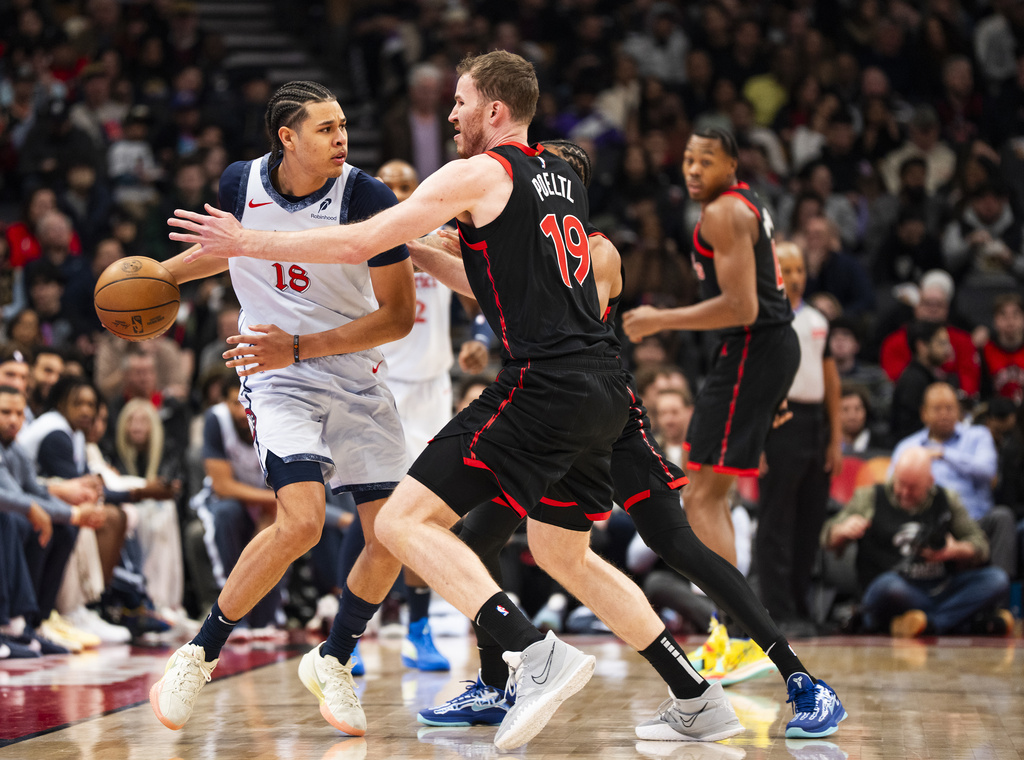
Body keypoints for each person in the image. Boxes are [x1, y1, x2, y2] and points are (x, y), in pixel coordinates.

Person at [170, 54, 746, 749]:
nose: (451, 114)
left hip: (539, 384)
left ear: (494, 111)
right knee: (564, 554)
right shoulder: (558, 176)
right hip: (605, 387)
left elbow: (363, 242)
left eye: (461, 101)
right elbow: (493, 281)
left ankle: (531, 654)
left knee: (404, 523)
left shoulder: (476, 172)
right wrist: (421, 249)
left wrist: (246, 240)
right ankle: (695, 695)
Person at [411, 139, 845, 740]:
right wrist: (437, 250)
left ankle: (802, 679)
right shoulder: (534, 248)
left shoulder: (598, 251)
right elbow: (499, 286)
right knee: (480, 536)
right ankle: (493, 681)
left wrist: (446, 253)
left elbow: (547, 311)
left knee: (677, 543)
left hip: (603, 411)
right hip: (550, 414)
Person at [147, 80, 415, 737]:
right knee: (301, 521)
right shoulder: (240, 183)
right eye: (326, 128)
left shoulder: (366, 197)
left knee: (391, 535)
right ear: (286, 138)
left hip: (351, 368)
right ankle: (199, 653)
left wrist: (299, 344)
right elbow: (227, 249)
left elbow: (398, 317)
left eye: (344, 125)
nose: (342, 138)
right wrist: (158, 278)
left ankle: (335, 658)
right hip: (275, 373)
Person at [622, 127, 799, 574]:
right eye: (688, 160)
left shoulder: (723, 212)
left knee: (700, 494)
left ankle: (732, 614)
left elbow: (742, 307)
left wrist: (661, 319)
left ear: (731, 165)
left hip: (753, 347)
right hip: (764, 351)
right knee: (705, 488)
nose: (694, 170)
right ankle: (732, 611)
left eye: (706, 160)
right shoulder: (747, 201)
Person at [822, 447, 1012, 637]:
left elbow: (980, 544)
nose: (905, 492)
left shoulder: (947, 499)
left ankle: (927, 623)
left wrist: (955, 550)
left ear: (930, 482)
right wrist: (841, 530)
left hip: (938, 589)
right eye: (900, 483)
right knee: (889, 586)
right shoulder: (869, 497)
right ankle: (959, 621)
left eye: (913, 488)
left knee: (997, 579)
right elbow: (826, 537)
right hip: (894, 590)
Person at [756, 241, 842, 637]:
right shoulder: (763, 317)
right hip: (778, 423)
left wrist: (834, 438)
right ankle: (776, 611)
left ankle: (802, 610)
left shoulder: (818, 319)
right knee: (776, 521)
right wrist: (757, 440)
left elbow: (831, 381)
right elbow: (756, 382)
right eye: (786, 270)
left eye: (799, 270)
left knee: (809, 521)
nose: (794, 278)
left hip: (814, 424)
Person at [889, 382, 1018, 580]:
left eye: (949, 408)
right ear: (924, 413)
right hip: (928, 525)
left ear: (958, 411)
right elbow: (892, 487)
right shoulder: (908, 446)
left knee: (1003, 517)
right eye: (937, 409)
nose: (944, 414)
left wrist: (944, 454)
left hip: (977, 523)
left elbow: (987, 470)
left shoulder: (978, 435)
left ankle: (1002, 588)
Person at [890, 321, 953, 443]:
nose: (948, 349)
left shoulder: (930, 377)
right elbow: (908, 430)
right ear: (921, 345)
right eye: (942, 343)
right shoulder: (913, 381)